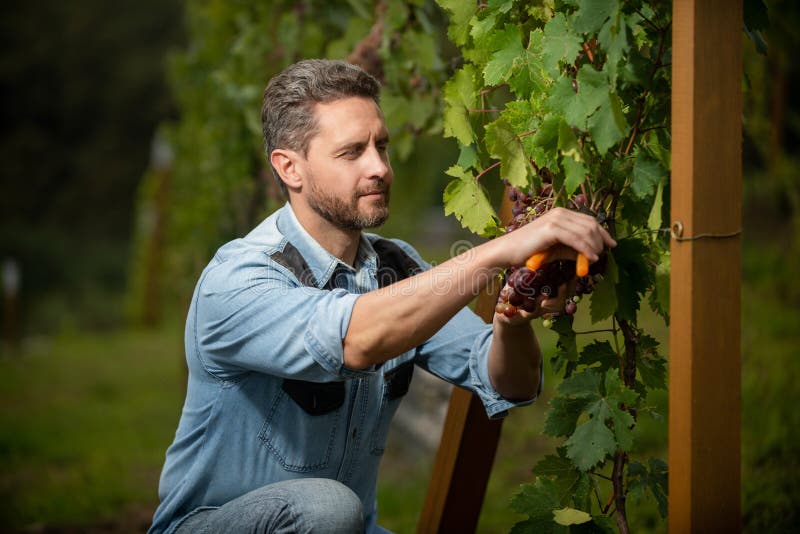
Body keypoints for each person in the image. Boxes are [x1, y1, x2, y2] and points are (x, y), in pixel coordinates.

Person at [149, 59, 615, 534]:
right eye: (351, 152)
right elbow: (356, 339)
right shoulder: (239, 279)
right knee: (328, 506)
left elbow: (511, 384)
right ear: (290, 168)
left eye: (382, 146)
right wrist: (500, 251)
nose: (379, 168)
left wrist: (510, 322)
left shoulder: (395, 268)